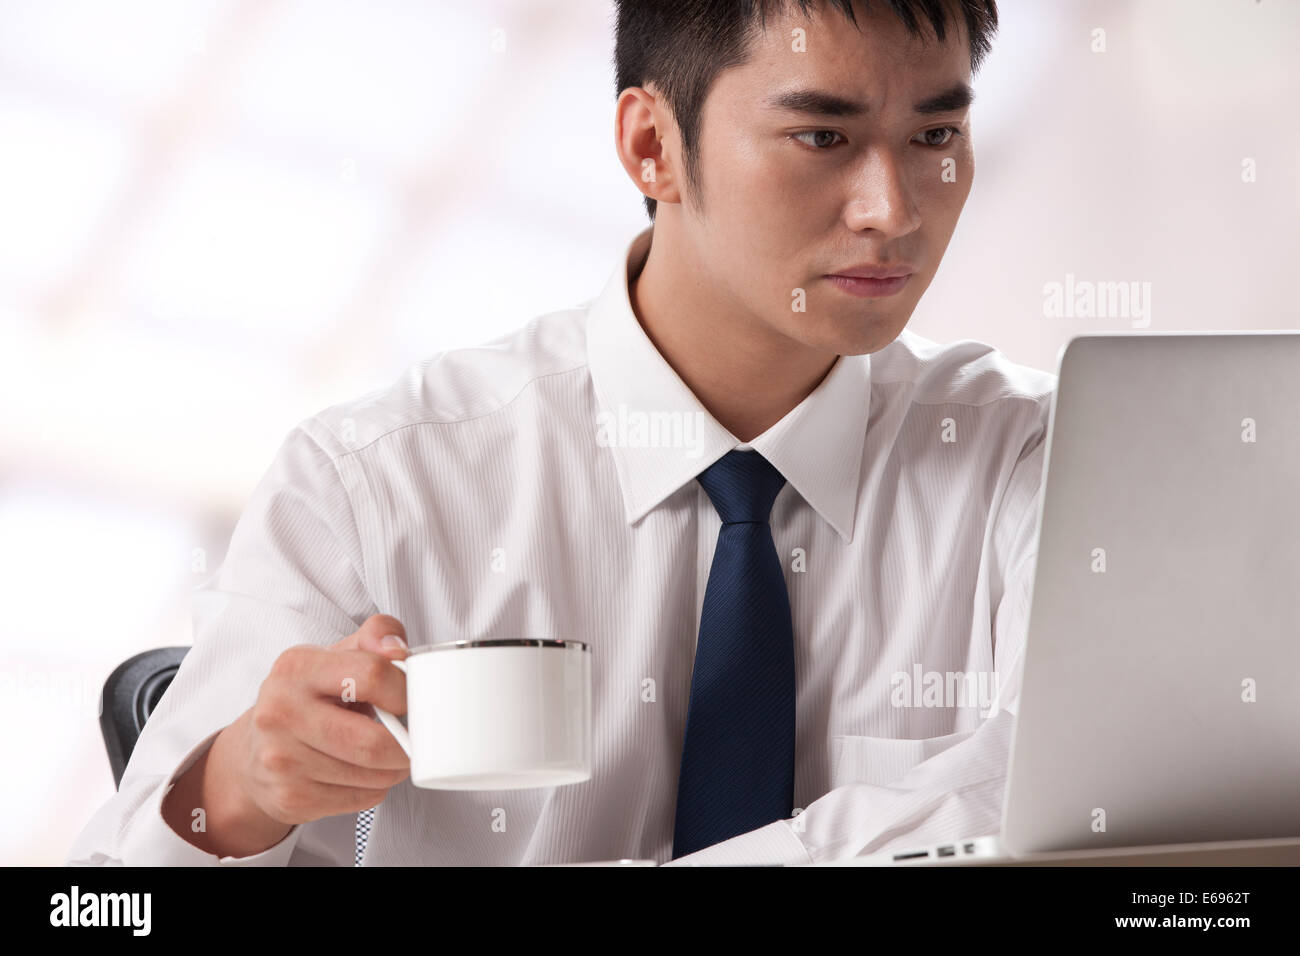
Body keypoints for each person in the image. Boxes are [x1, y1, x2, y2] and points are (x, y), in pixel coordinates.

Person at [69, 0, 1050, 867]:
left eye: (932, 134)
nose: (891, 209)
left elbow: (1075, 799)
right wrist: (232, 791)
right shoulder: (378, 484)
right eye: (822, 138)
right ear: (652, 146)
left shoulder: (1042, 459)